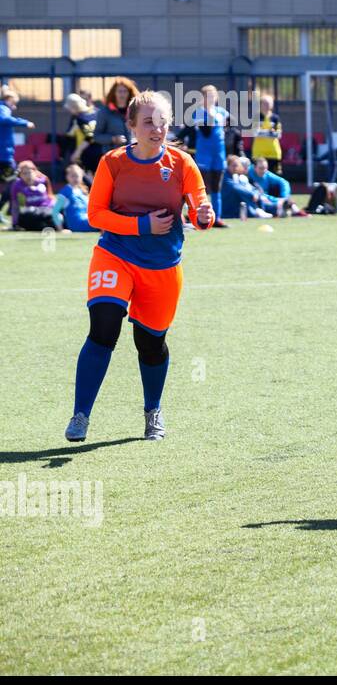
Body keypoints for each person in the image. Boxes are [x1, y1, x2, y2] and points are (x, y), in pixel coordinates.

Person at [65, 90, 215, 443]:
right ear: (131, 125)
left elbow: (199, 208)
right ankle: (80, 416)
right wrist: (141, 225)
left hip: (162, 266)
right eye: (148, 121)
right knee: (104, 328)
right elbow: (95, 214)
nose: (156, 128)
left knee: (149, 344)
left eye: (162, 122)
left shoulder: (182, 164)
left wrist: (204, 216)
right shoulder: (112, 162)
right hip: (115, 254)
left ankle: (153, 412)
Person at [187, 84, 233, 228]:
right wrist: (212, 117)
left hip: (219, 152)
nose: (211, 99)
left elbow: (231, 123)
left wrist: (225, 128)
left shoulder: (221, 112)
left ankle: (217, 217)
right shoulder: (198, 113)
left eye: (213, 96)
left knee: (216, 187)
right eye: (207, 96)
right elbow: (206, 132)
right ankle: (201, 218)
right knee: (202, 187)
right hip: (204, 153)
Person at [0, 84, 36, 225]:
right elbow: (4, 120)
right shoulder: (3, 108)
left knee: (11, 182)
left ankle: (8, 209)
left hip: (4, 155)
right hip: (4, 156)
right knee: (13, 183)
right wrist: (25, 123)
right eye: (14, 104)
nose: (14, 107)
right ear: (9, 99)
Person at [89, 78, 137, 174]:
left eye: (125, 91)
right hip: (113, 158)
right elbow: (97, 136)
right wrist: (113, 139)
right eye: (119, 91)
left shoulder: (135, 110)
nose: (122, 94)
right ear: (114, 93)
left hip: (135, 157)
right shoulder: (104, 112)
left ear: (130, 93)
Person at [8, 160, 59, 231]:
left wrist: (55, 208)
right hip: (31, 213)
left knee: (56, 215)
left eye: (29, 172)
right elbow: (15, 205)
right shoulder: (17, 186)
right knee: (25, 217)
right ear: (20, 175)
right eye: (24, 173)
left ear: (35, 172)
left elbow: (50, 196)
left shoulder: (43, 180)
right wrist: (14, 223)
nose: (27, 176)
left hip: (46, 211)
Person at [219, 155, 275, 219]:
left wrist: (255, 193)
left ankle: (277, 207)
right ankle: (258, 212)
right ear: (228, 166)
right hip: (228, 208)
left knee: (263, 201)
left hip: (251, 202)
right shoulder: (225, 176)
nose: (235, 168)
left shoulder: (237, 176)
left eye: (237, 165)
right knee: (243, 196)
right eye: (233, 165)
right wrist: (252, 194)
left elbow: (251, 188)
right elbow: (235, 187)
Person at [55, 163, 95, 233]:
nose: (75, 178)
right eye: (72, 176)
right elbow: (55, 212)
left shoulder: (82, 191)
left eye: (77, 176)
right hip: (77, 225)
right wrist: (61, 229)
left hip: (88, 220)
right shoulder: (65, 192)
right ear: (67, 177)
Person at [250, 93, 283, 174]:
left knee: (273, 177)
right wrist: (269, 133)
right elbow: (255, 133)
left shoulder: (275, 118)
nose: (267, 105)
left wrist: (264, 132)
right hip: (259, 153)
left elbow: (278, 135)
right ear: (260, 104)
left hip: (273, 153)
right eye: (264, 103)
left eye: (269, 103)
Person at [63, 93, 97, 168]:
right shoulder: (95, 112)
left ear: (74, 107)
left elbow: (89, 137)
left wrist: (77, 153)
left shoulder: (81, 118)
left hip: (87, 154)